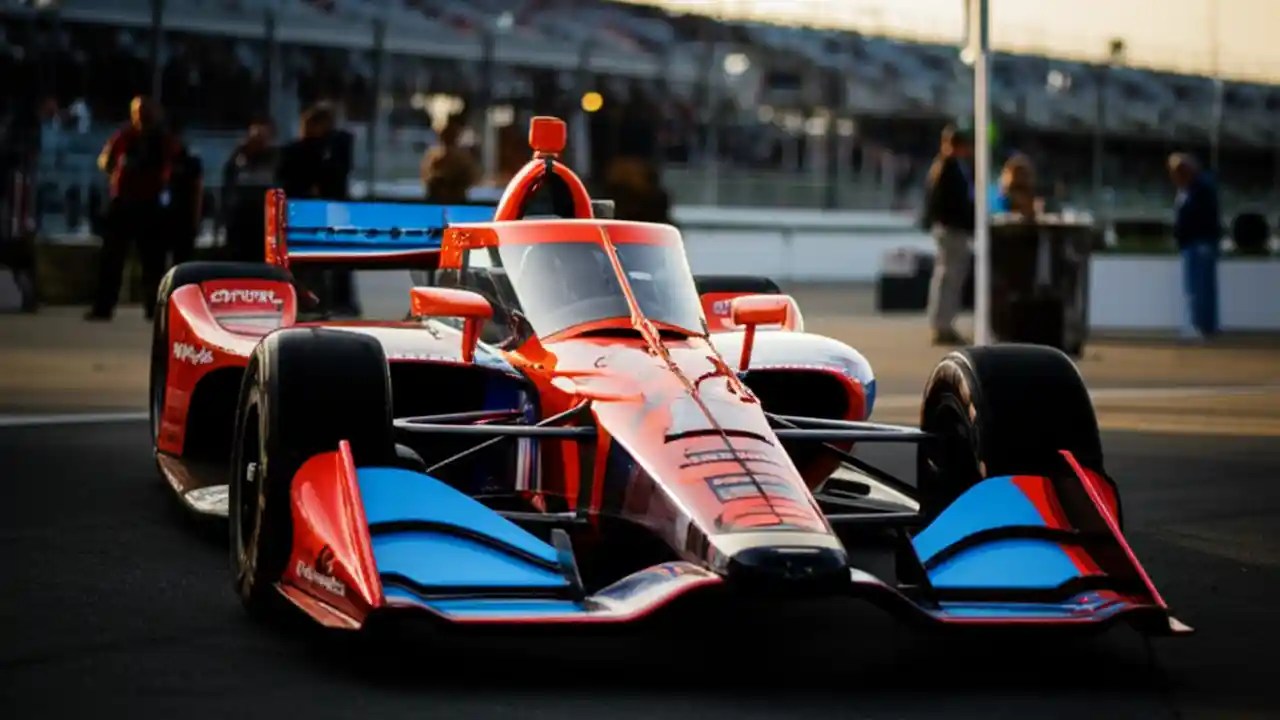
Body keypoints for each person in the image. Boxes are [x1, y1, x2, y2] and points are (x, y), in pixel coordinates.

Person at [87, 96, 177, 321]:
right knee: (113, 259)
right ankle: (104, 307)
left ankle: (153, 309)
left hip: (149, 204)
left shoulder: (162, 139)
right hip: (124, 203)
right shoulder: (124, 136)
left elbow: (171, 167)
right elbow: (106, 160)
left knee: (152, 263)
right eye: (139, 110)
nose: (142, 115)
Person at [277, 103, 358, 316]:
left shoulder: (336, 144)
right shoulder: (299, 149)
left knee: (339, 259)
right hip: (306, 210)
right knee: (308, 261)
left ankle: (339, 300)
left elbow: (337, 173)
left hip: (332, 208)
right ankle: (312, 298)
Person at [921, 123, 975, 345]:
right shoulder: (948, 168)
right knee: (950, 277)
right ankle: (943, 324)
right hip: (952, 229)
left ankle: (943, 322)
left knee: (947, 277)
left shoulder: (944, 167)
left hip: (949, 228)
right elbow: (949, 203)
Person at [1168, 153, 1222, 340]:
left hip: (1200, 243)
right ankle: (1204, 326)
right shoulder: (1189, 189)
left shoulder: (1201, 188)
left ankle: (1201, 326)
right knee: (1197, 288)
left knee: (1200, 288)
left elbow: (1205, 217)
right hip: (1193, 243)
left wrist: (1204, 239)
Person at [221, 116, 278, 262]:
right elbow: (227, 188)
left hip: (264, 223)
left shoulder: (276, 159)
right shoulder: (237, 158)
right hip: (240, 222)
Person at [167, 120, 204, 267]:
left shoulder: (190, 161)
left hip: (184, 217)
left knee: (183, 260)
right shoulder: (160, 158)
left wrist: (196, 219)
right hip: (162, 218)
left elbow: (197, 191)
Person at [420, 116, 480, 204]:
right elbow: (426, 178)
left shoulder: (463, 158)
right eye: (445, 133)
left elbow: (470, 178)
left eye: (451, 132)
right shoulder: (432, 156)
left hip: (457, 202)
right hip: (435, 201)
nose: (448, 136)